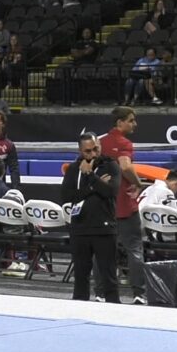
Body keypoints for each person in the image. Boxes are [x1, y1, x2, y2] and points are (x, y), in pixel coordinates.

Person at [60, 133, 120, 302]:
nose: (93, 154)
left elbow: (110, 191)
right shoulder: (73, 169)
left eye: (96, 149)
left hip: (104, 229)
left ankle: (115, 312)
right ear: (80, 151)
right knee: (80, 277)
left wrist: (90, 176)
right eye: (88, 151)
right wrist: (95, 185)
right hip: (79, 229)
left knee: (109, 277)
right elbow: (67, 196)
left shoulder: (111, 165)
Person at [99, 106, 145, 300]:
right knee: (134, 248)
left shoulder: (99, 143)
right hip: (124, 205)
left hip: (104, 205)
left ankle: (100, 293)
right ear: (120, 123)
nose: (135, 124)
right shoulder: (124, 143)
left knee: (102, 250)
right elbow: (126, 166)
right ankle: (139, 293)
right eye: (131, 120)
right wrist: (138, 183)